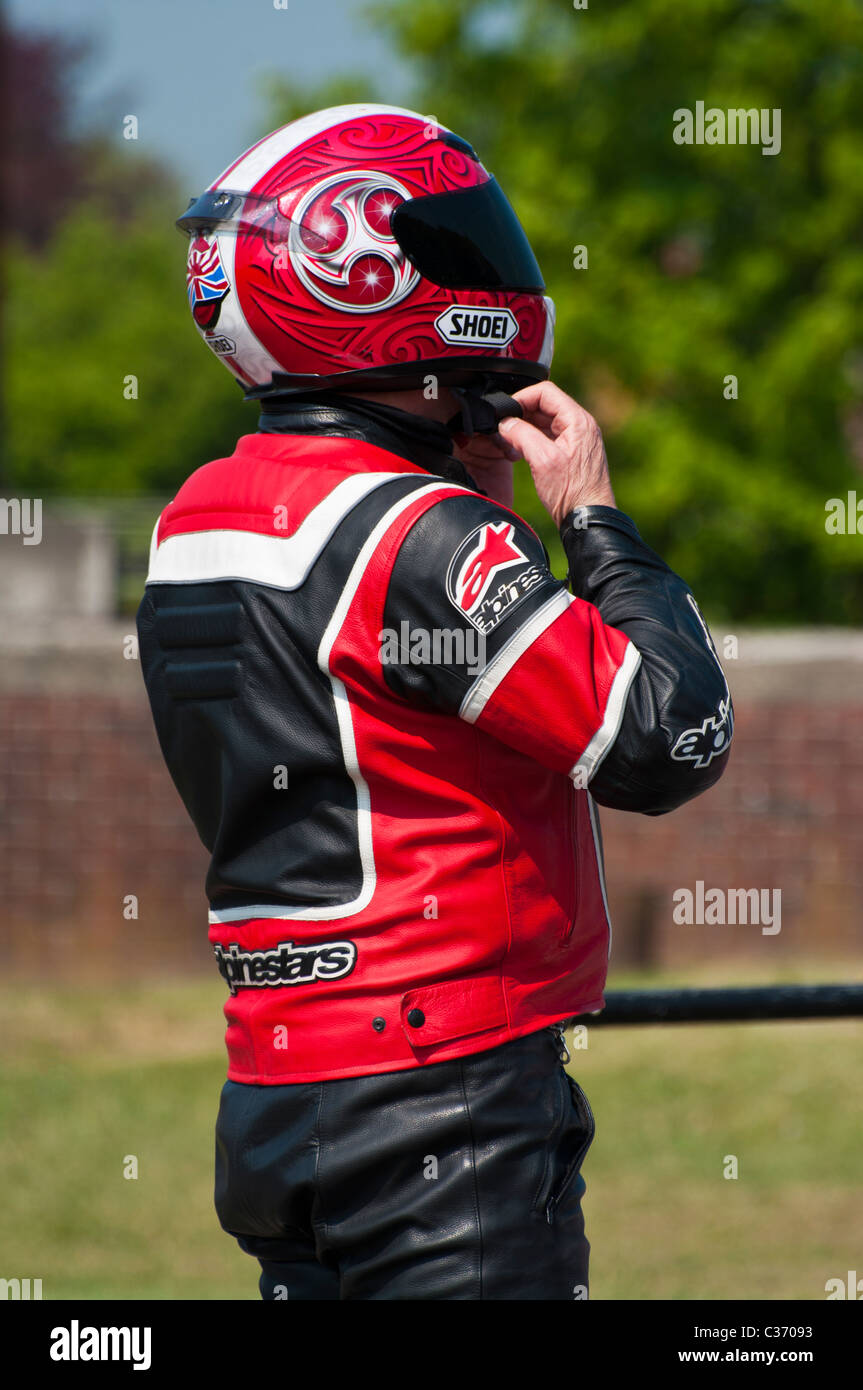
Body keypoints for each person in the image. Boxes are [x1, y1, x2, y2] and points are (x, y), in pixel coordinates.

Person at [136, 104, 733, 1300]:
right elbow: (669, 736)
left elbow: (380, 716)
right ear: (356, 273)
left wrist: (463, 499)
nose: (494, 269)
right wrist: (589, 521)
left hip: (273, 1095)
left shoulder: (194, 517)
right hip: (440, 1099)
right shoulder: (417, 532)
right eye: (458, 241)